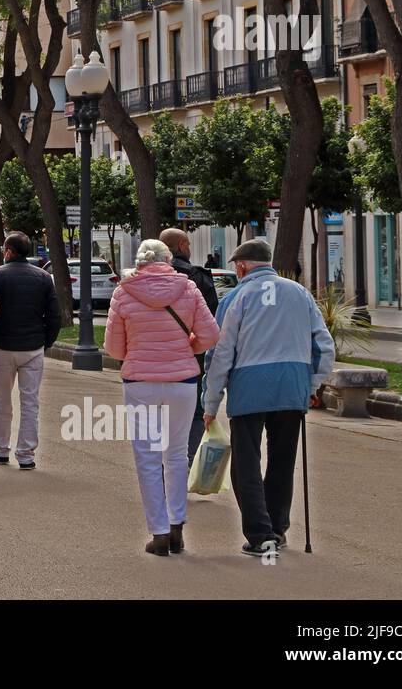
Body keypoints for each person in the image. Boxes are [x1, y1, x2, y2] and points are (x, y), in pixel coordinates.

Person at [203, 239, 335, 558]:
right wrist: (311, 385)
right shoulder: (299, 293)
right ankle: (278, 527)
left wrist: (210, 402)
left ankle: (261, 535)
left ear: (241, 266)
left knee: (246, 464)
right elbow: (325, 348)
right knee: (282, 461)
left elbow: (220, 354)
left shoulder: (235, 297)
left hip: (249, 388)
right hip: (292, 388)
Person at [105, 239, 221, 557]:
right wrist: (189, 348)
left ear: (139, 262)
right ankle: (176, 528)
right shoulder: (189, 289)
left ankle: (158, 533)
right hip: (182, 381)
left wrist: (137, 353)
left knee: (147, 458)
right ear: (169, 260)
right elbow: (211, 335)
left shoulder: (123, 292)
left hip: (139, 382)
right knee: (176, 455)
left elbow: (114, 349)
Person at [0, 232, 62, 471]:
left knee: (1, 400)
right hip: (33, 347)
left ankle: (0, 449)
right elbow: (54, 315)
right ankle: (26, 454)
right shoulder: (43, 277)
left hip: (3, 345)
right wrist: (45, 341)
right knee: (30, 402)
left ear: (8, 251)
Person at [159, 227, 220, 467]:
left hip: (151, 362)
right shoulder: (198, 278)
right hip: (189, 360)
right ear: (183, 245)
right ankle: (186, 458)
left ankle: (161, 464)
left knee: (158, 413)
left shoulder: (142, 279)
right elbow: (211, 322)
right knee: (193, 411)